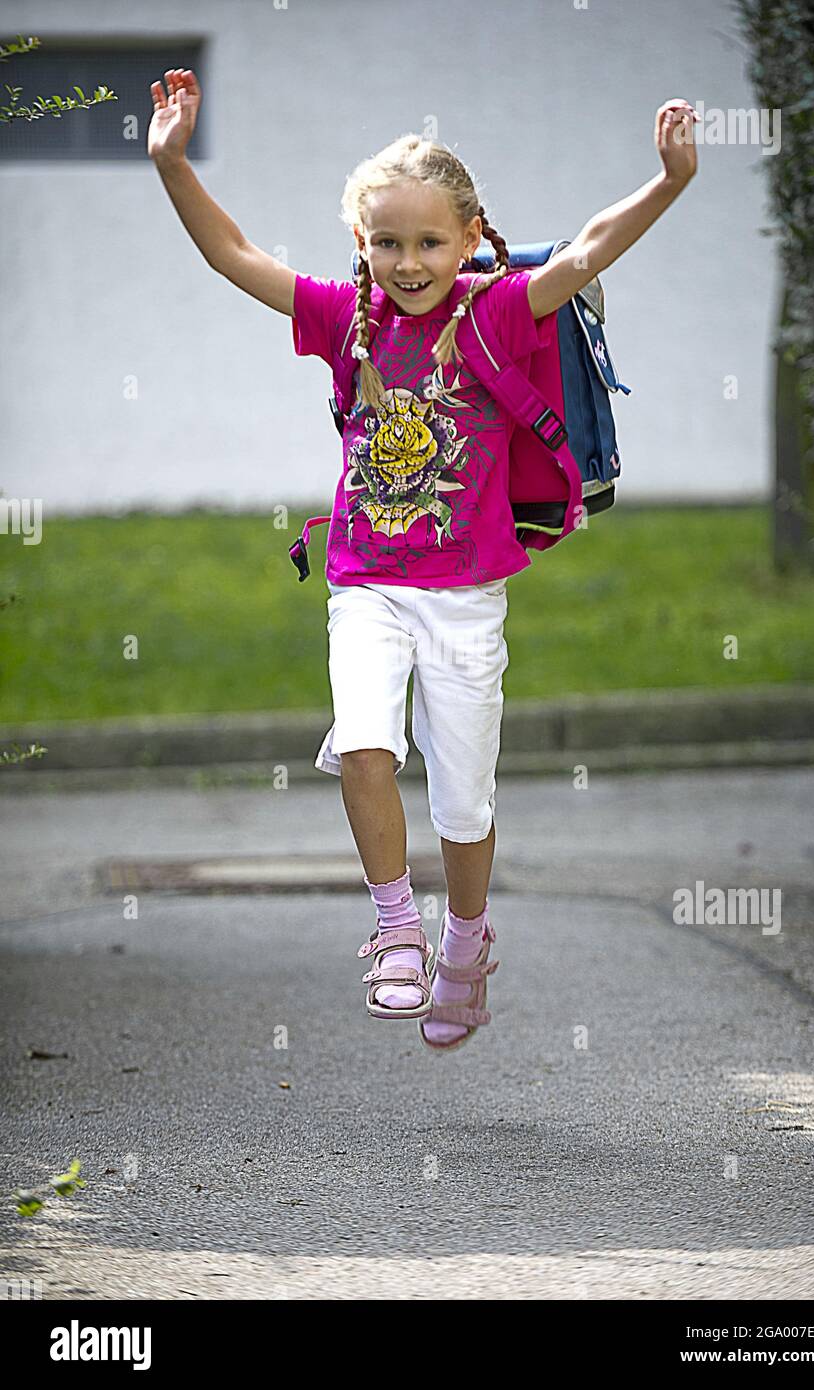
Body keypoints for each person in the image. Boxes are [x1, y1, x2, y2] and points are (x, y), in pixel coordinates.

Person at [149, 69, 698, 1050]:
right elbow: (233, 255)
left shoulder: (496, 314)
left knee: (464, 801)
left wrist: (667, 181)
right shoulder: (342, 320)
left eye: (430, 241)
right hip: (365, 585)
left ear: (470, 236)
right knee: (363, 743)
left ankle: (467, 939)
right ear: (362, 245)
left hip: (465, 597)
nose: (409, 262)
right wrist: (172, 162)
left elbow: (586, 250)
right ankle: (398, 929)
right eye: (388, 242)